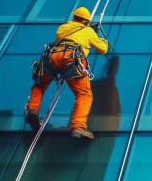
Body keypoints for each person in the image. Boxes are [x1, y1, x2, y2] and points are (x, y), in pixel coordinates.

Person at [25, 7, 108, 139]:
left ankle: (32, 109)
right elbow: (103, 49)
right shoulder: (88, 31)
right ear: (86, 22)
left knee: (40, 84)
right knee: (84, 94)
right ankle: (78, 127)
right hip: (71, 58)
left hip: (53, 57)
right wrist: (99, 36)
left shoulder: (62, 28)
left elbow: (70, 37)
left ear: (74, 17)